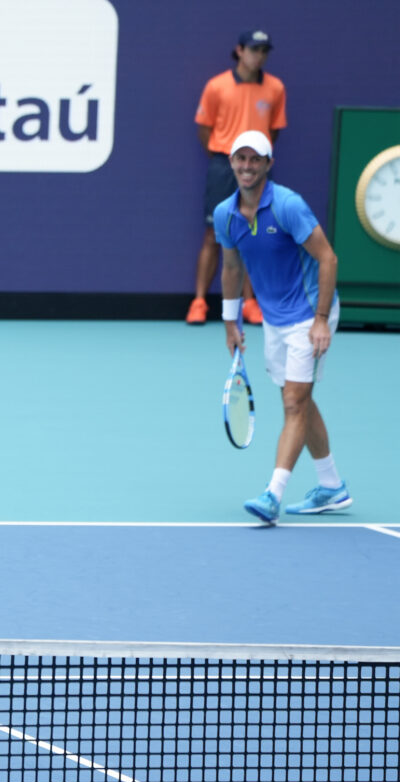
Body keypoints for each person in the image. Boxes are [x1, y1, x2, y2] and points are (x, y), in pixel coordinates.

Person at [214, 130, 352, 524]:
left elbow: (328, 259)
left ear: (268, 164)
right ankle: (332, 486)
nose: (246, 166)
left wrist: (322, 320)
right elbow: (232, 266)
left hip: (310, 315)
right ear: (232, 163)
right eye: (240, 158)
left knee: (293, 402)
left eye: (254, 159)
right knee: (299, 399)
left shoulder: (289, 206)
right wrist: (230, 322)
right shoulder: (226, 214)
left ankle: (272, 494)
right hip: (274, 321)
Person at [188, 29, 287, 326]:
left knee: (253, 234)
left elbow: (275, 130)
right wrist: (229, 160)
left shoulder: (275, 88)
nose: (260, 56)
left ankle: (250, 303)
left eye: (264, 51)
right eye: (254, 49)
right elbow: (205, 129)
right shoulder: (217, 86)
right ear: (240, 51)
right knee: (213, 234)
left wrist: (253, 163)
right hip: (223, 164)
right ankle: (199, 302)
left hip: (256, 168)